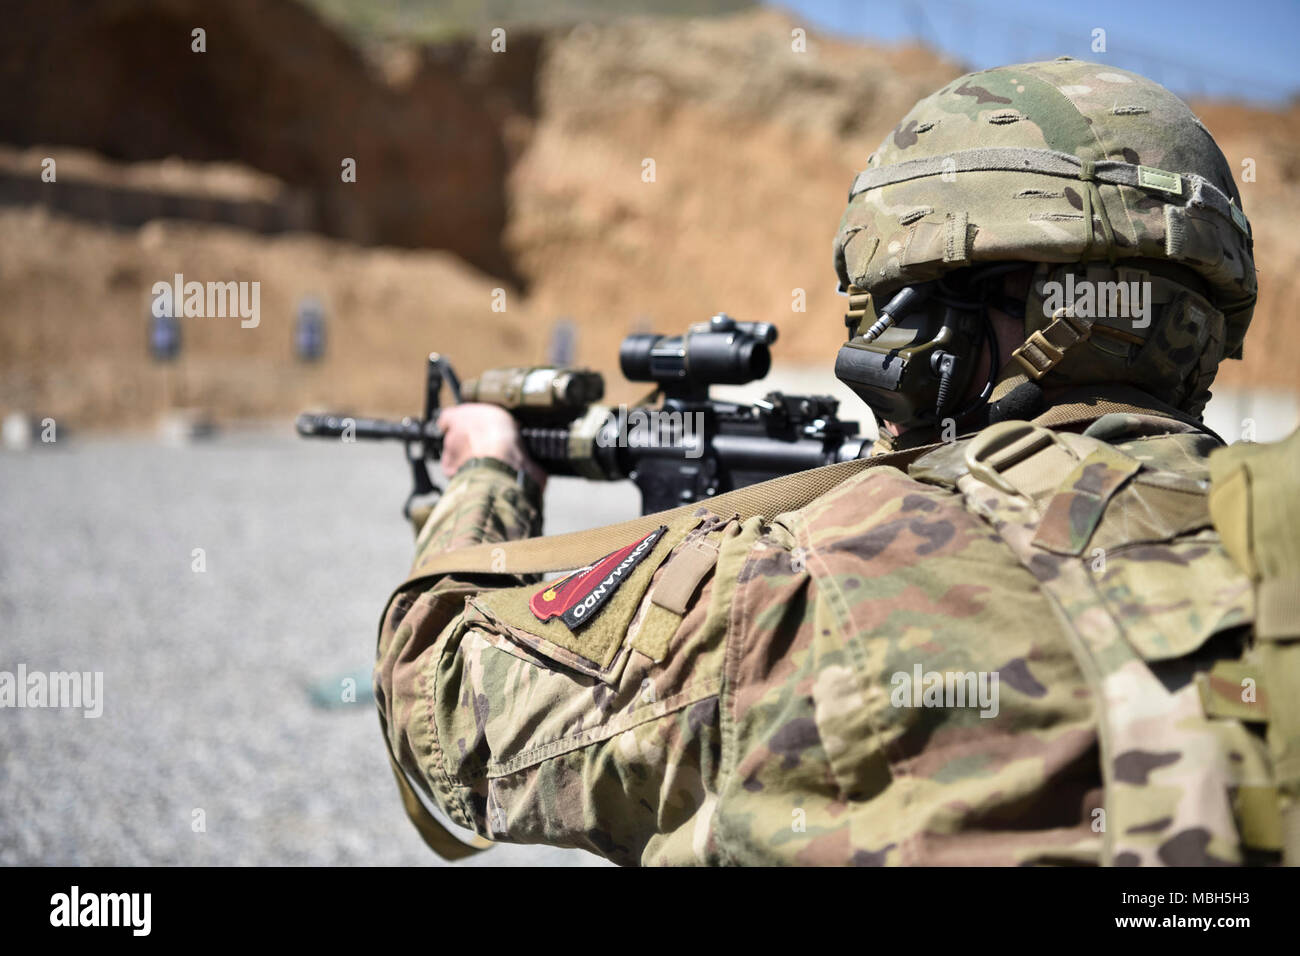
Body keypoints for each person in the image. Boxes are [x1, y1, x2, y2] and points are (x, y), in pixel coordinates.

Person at [374, 58, 1295, 865]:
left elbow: (441, 707)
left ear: (944, 322)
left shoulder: (801, 587)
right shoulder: (1278, 534)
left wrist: (486, 475)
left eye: (885, 313)